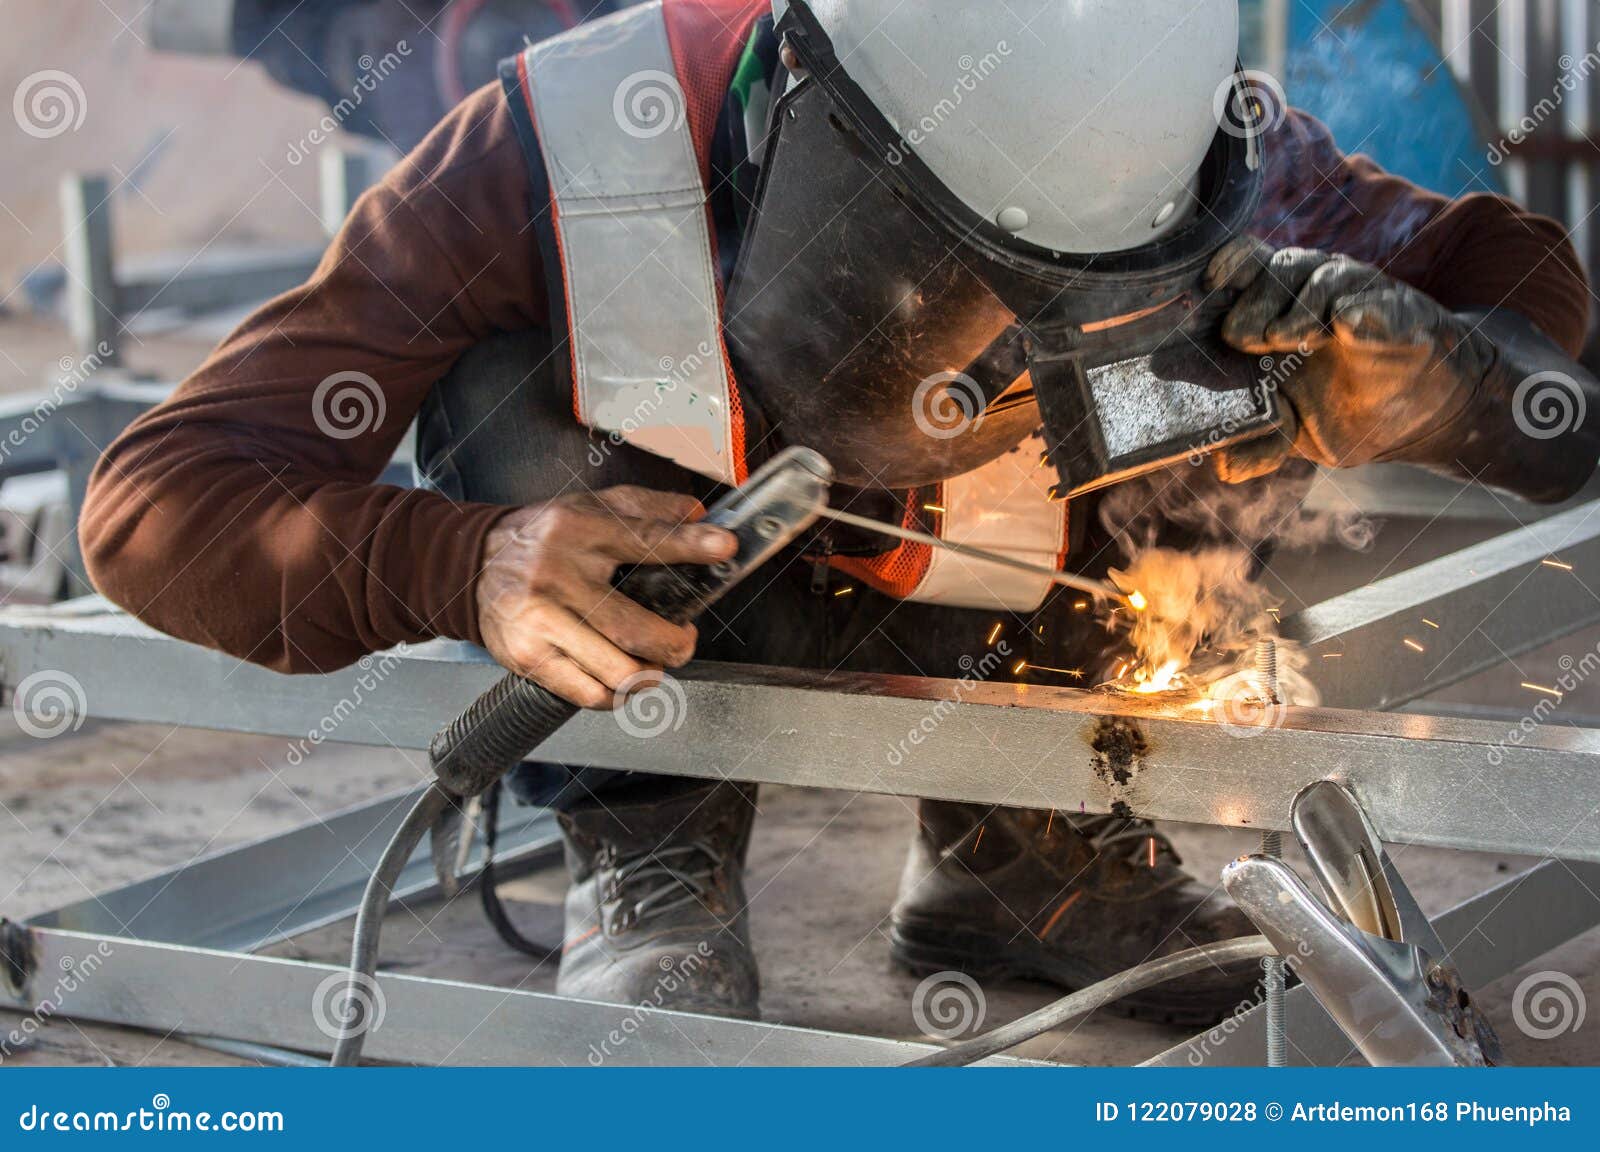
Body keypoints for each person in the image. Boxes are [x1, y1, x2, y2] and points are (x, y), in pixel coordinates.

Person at [82, 0, 1599, 1026]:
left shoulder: (1202, 158)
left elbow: (1517, 279)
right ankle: (648, 840)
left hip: (998, 603)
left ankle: (1027, 850)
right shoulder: (555, 142)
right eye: (949, 288)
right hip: (686, 593)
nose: (984, 350)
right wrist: (466, 557)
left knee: (1228, 372)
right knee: (503, 390)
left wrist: (1435, 373)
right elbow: (153, 504)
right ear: (796, 120)